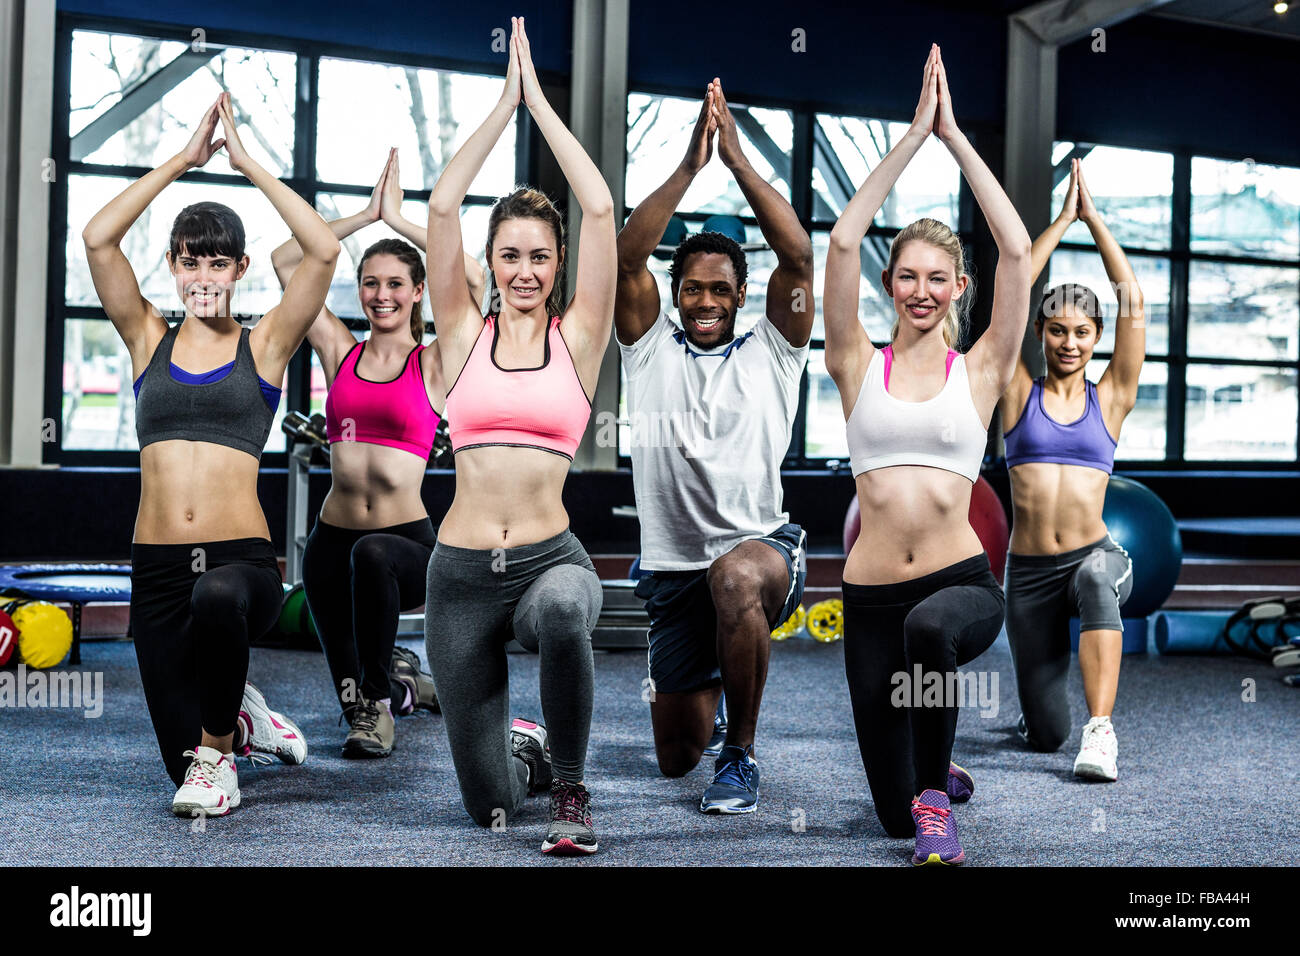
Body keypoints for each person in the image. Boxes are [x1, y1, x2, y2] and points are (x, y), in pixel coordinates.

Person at [82, 93, 339, 816]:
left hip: (240, 562)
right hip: (158, 567)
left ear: (239, 268)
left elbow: (322, 250)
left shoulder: (265, 344)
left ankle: (223, 750)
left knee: (218, 602)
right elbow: (98, 240)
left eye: (219, 263)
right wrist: (184, 161)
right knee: (177, 762)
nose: (203, 275)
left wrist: (247, 162)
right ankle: (240, 721)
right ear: (172, 264)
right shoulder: (145, 338)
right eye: (191, 261)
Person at [824, 46, 1032, 865]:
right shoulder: (854, 364)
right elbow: (841, 242)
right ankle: (931, 768)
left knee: (930, 629)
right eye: (907, 275)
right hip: (871, 600)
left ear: (959, 289)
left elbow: (1016, 252)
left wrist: (956, 139)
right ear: (890, 282)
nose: (921, 290)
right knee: (884, 816)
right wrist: (911, 137)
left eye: (938, 278)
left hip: (960, 587)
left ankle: (935, 794)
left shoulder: (979, 369)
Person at [421, 18, 614, 856]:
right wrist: (503, 106)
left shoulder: (580, 341)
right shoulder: (462, 334)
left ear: (559, 260)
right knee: (487, 807)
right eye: (509, 255)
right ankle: (526, 760)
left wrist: (542, 105)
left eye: (540, 255)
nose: (524, 270)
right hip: (460, 576)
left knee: (570, 614)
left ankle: (571, 789)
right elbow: (439, 206)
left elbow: (602, 204)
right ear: (491, 263)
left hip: (548, 563)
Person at [615, 79, 812, 814]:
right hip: (671, 573)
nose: (704, 302)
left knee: (733, 579)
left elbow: (798, 257)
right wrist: (688, 169)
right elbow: (626, 258)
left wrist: (735, 162)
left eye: (719, 290)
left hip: (759, 553)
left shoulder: (775, 350)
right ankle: (715, 720)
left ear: (739, 294)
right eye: (692, 289)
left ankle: (743, 754)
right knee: (673, 759)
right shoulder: (647, 347)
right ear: (676, 293)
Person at [271, 148, 486, 758]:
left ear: (418, 291)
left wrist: (400, 221)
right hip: (331, 540)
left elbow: (472, 276)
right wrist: (364, 218)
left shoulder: (436, 361)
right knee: (346, 687)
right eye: (371, 283)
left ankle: (382, 701)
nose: (381, 294)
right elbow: (288, 259)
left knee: (372, 559)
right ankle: (395, 682)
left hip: (405, 546)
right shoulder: (339, 351)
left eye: (396, 283)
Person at [1000, 157, 1145, 781]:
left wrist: (1096, 221)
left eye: (1082, 332)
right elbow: (1010, 296)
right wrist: (1061, 222)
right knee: (1043, 738)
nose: (1068, 342)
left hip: (1095, 556)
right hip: (1028, 574)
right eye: (1056, 329)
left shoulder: (1110, 397)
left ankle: (1103, 731)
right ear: (1039, 332)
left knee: (1092, 580)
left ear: (1095, 337)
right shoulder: (1015, 392)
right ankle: (1047, 719)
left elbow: (1133, 302)